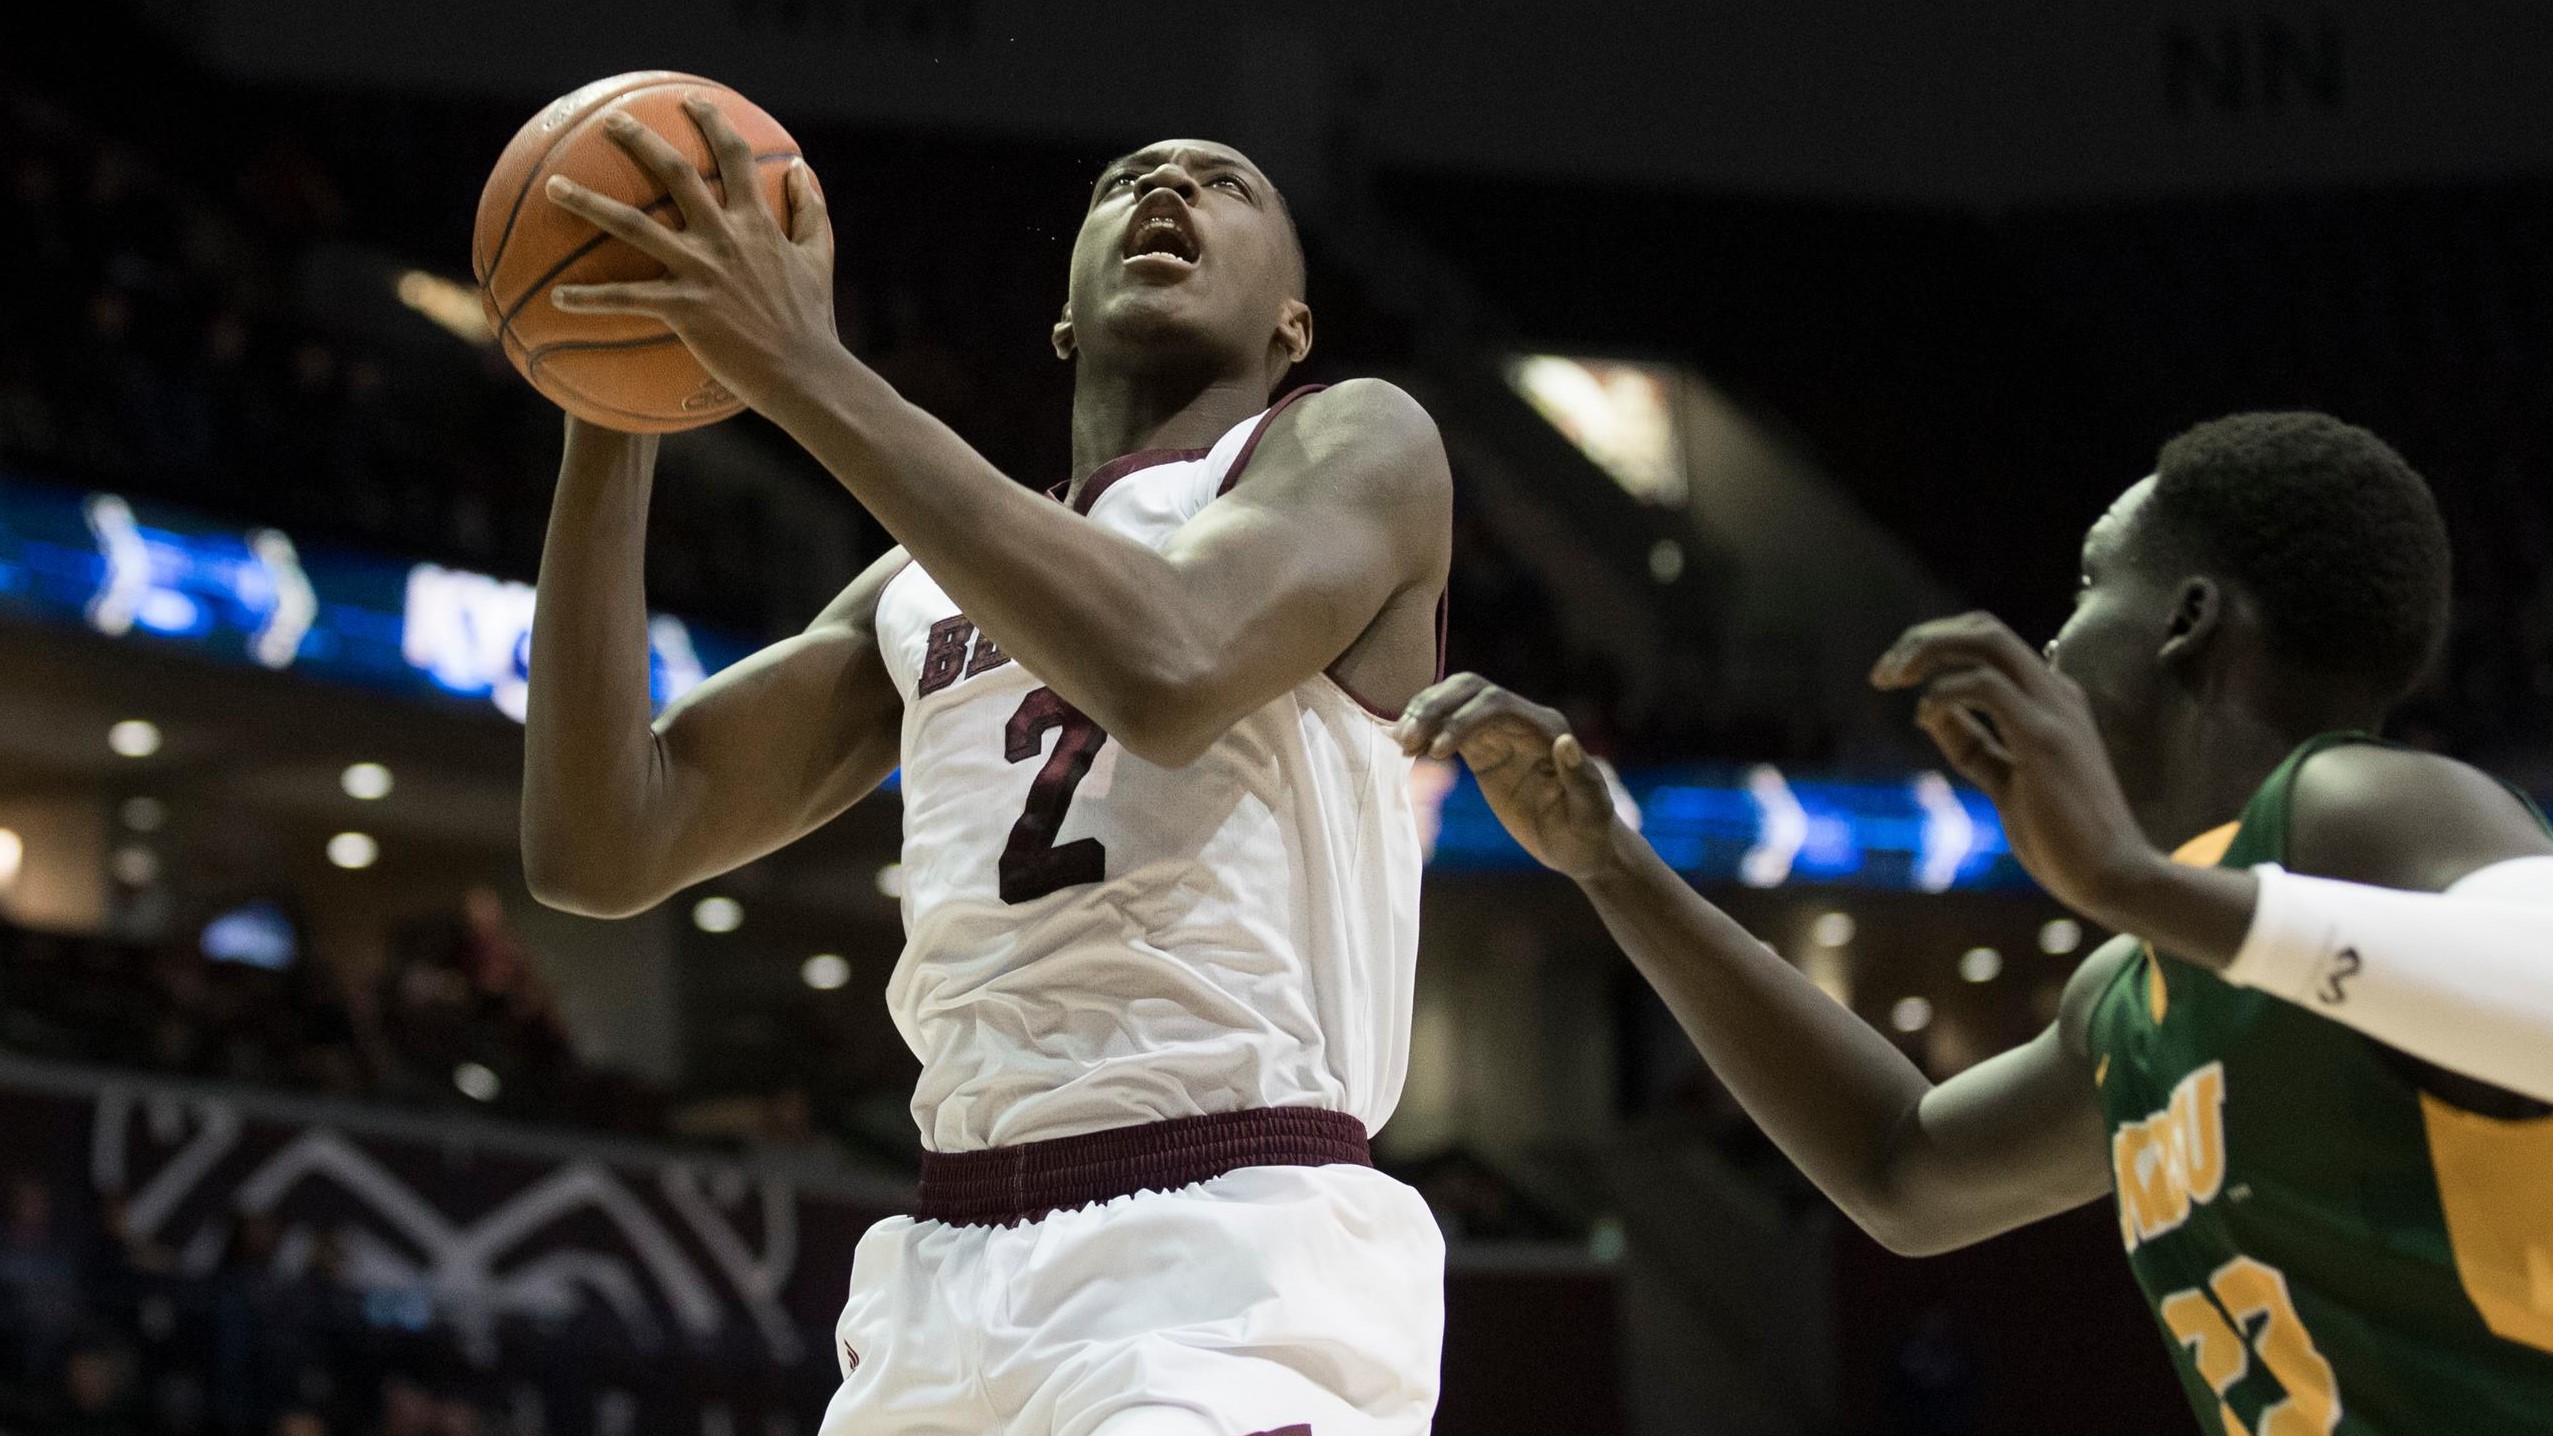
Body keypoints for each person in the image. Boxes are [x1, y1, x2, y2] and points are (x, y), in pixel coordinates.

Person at [522, 105, 1450, 1436]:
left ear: (1290, 328)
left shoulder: (1355, 445)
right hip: (947, 1274)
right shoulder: (916, 584)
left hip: (1230, 1261)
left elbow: (1169, 666)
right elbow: (604, 843)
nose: (1170, 187)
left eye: (1223, 182)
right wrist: (610, 397)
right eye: (1128, 179)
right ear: (1062, 316)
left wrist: (796, 364)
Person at [1396, 412, 2553, 1435]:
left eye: (2094, 586)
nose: (2056, 643)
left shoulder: (2359, 804)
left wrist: (2131, 881)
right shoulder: (2127, 998)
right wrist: (1615, 868)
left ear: (2189, 621)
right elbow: (1897, 1167)